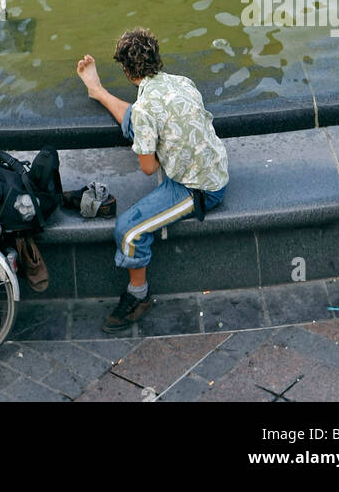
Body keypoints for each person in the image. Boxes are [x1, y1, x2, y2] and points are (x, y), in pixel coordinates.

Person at [76, 28, 229, 332]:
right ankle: (99, 92)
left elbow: (148, 167)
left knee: (129, 231)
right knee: (139, 120)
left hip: (199, 188)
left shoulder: (145, 110)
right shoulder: (182, 82)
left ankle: (139, 295)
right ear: (157, 57)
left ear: (125, 70)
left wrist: (154, 141)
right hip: (214, 165)